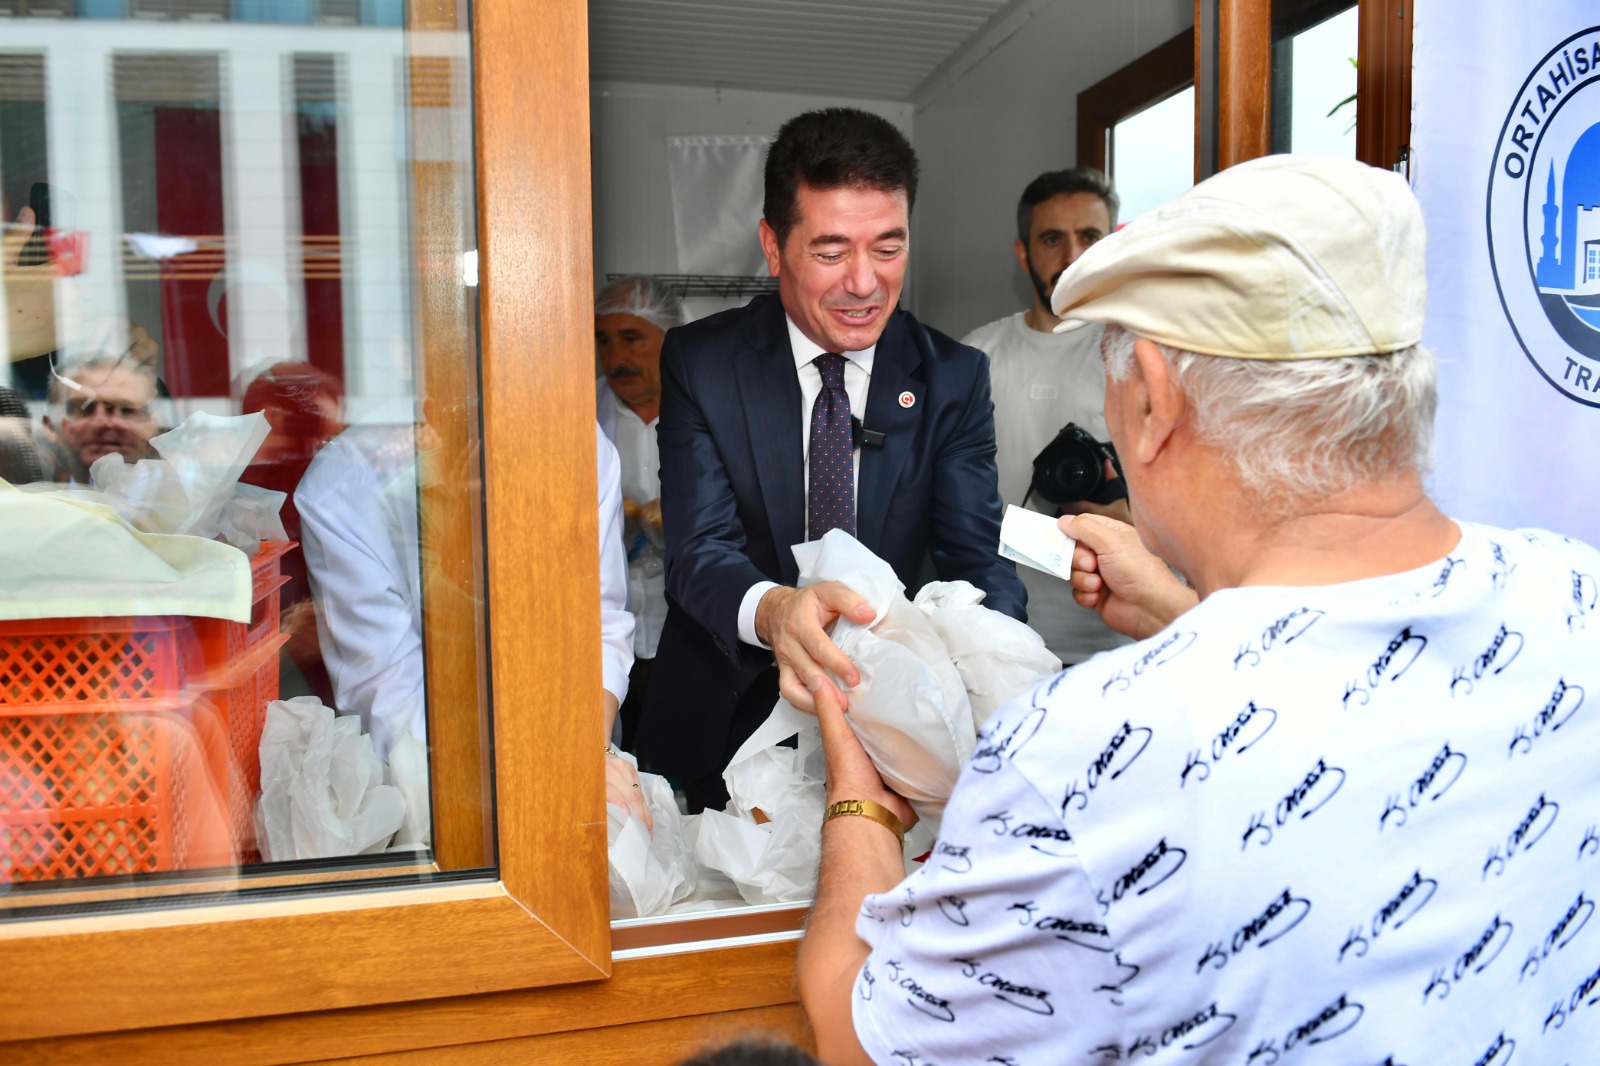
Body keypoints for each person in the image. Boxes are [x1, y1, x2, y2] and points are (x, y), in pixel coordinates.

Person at [796, 154, 1600, 1064]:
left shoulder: (1088, 752)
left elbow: (856, 1038)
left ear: (1154, 402)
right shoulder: (1578, 592)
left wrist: (860, 802)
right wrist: (1186, 612)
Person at [637, 107, 1026, 811]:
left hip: (895, 732)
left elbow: (977, 558)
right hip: (726, 715)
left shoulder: (953, 377)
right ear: (773, 245)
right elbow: (698, 551)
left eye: (888, 248)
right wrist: (777, 610)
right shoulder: (703, 362)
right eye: (830, 252)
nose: (864, 283)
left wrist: (1000, 680)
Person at [962, 167, 1132, 664]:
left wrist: (1130, 521)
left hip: (1119, 641)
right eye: (1053, 239)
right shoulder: (975, 357)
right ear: (1023, 253)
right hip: (1001, 638)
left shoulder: (1139, 357)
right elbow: (953, 513)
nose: (1072, 255)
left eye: (1090, 237)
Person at [594, 274, 685, 752]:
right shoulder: (578, 413)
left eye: (631, 338)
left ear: (669, 339)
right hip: (609, 644)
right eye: (603, 340)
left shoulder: (702, 407)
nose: (616, 357)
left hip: (686, 636)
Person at [41, 354, 161, 482]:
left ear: (154, 426)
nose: (102, 422)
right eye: (86, 409)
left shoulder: (175, 491)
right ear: (50, 427)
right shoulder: (31, 493)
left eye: (126, 409)